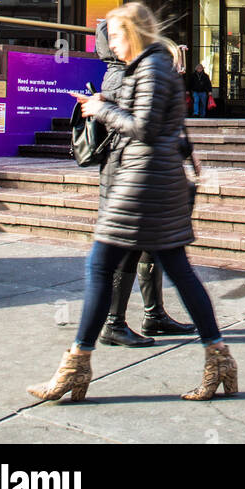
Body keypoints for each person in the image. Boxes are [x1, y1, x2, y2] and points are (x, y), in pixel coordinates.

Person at [28, 2, 238, 404]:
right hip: (149, 183)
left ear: (135, 34)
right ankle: (218, 359)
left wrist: (100, 108)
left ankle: (77, 366)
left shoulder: (152, 67)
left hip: (143, 187)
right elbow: (168, 126)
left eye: (118, 36)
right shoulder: (147, 67)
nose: (112, 44)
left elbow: (144, 127)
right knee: (176, 270)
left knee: (101, 267)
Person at [90, 20, 195, 347]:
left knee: (151, 247)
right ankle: (113, 323)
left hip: (140, 172)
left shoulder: (133, 71)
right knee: (128, 250)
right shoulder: (120, 75)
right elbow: (141, 127)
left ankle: (154, 315)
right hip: (124, 174)